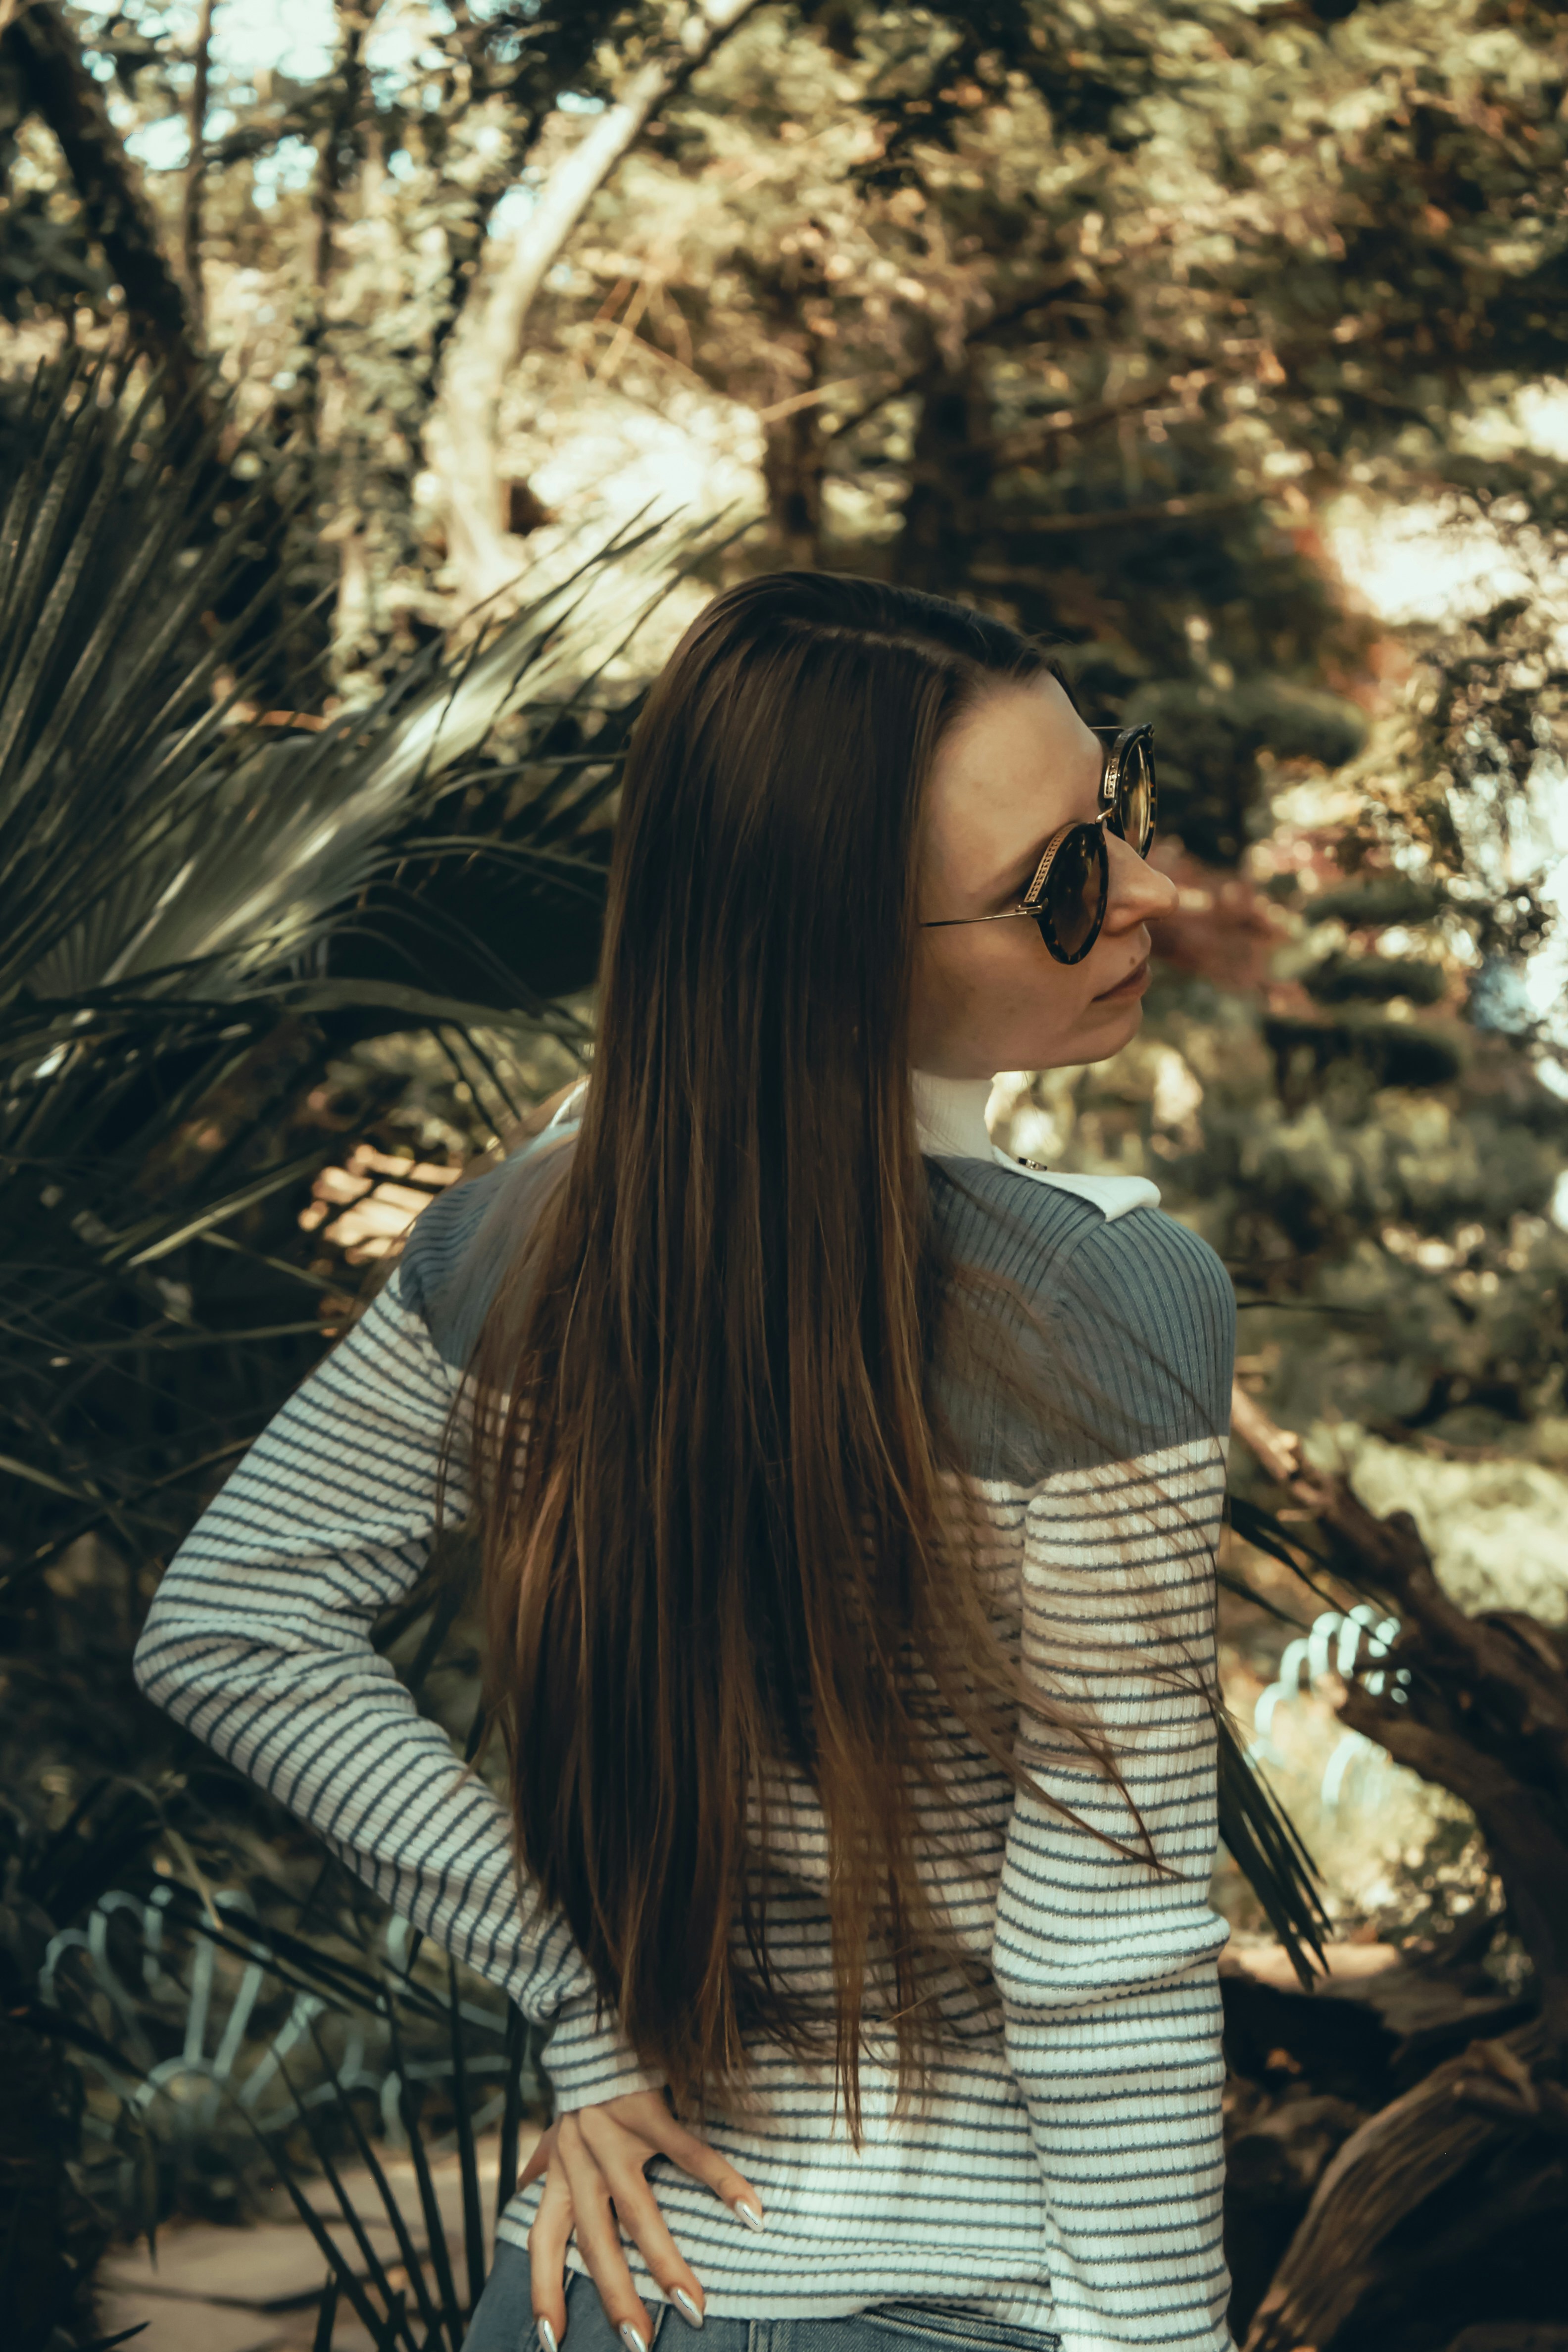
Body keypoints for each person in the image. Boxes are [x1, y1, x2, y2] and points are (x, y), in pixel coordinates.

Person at [134, 573, 1236, 2352]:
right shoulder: (1113, 1298)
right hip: (942, 2296)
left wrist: (582, 2005)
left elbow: (235, 1623)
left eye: (1117, 803)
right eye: (1058, 885)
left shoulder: (528, 1246)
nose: (1151, 891)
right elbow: (1099, 1947)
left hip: (595, 2288)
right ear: (839, 951)